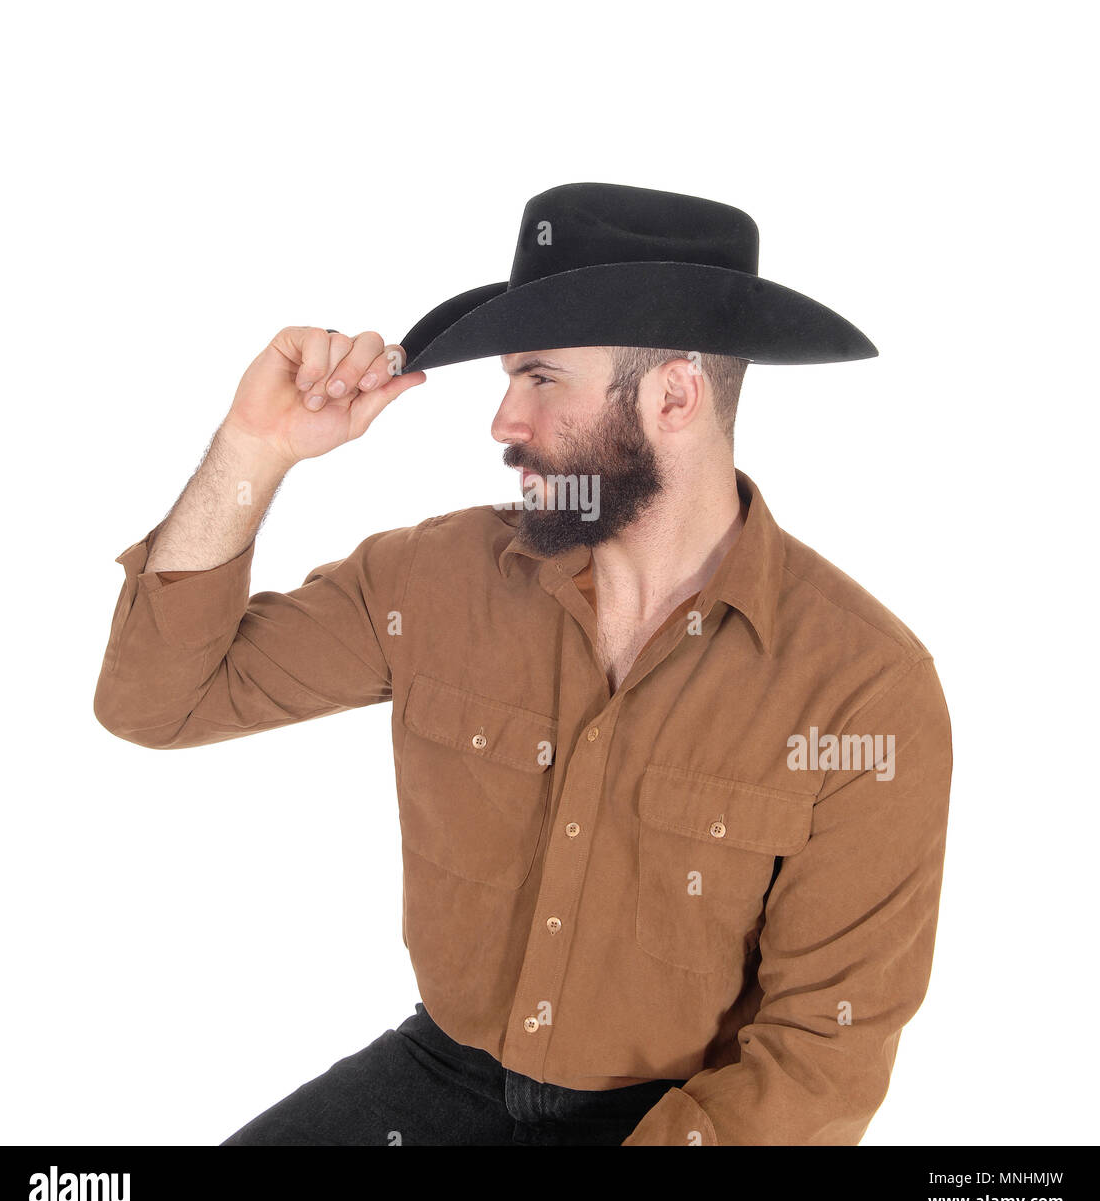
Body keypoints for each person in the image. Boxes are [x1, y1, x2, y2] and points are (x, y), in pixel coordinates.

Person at [94, 182, 953, 1145]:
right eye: (509, 380)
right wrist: (255, 450)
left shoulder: (864, 692)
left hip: (679, 1124)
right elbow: (156, 701)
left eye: (541, 379)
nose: (503, 421)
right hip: (440, 1078)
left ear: (675, 394)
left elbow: (818, 1064)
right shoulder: (434, 578)